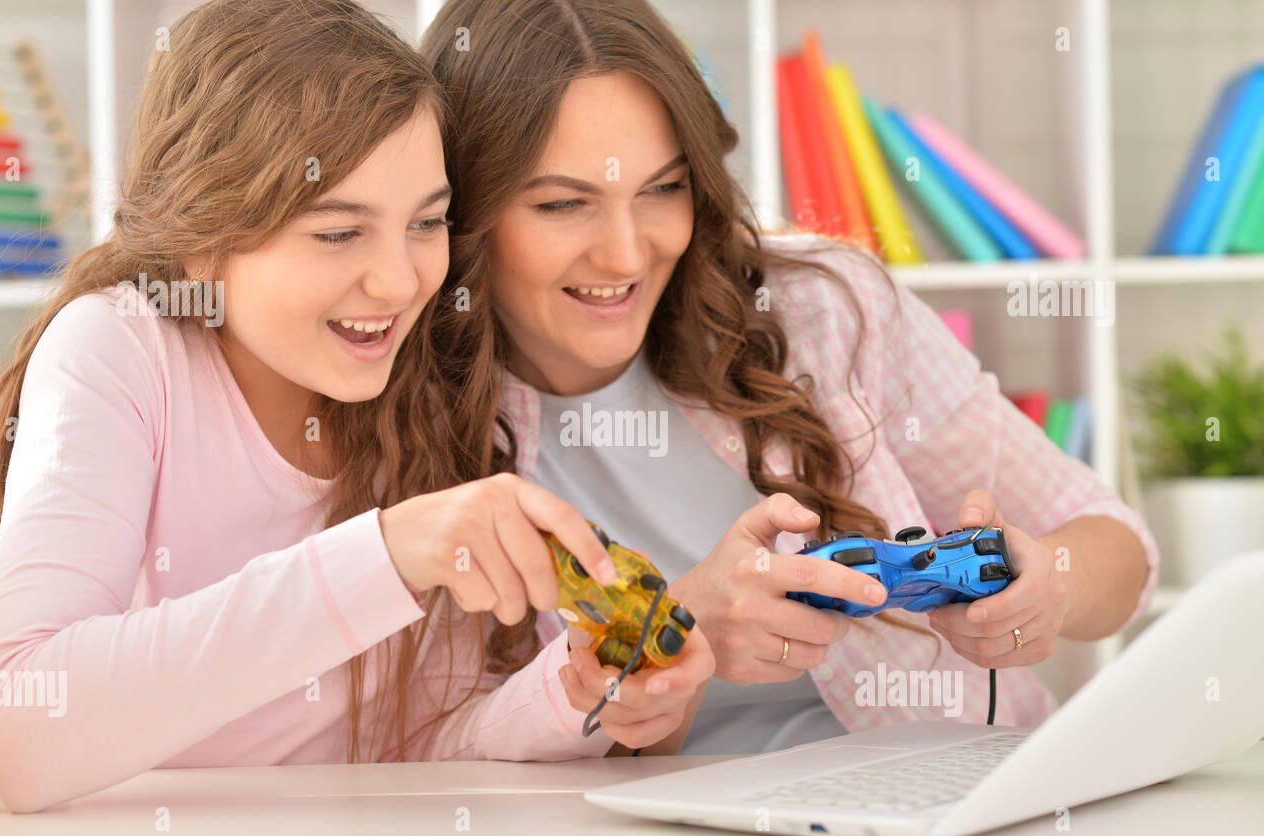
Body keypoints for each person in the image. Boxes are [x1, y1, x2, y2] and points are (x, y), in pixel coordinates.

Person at [0, 0, 712, 812]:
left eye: (426, 222)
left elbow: (414, 746)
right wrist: (386, 554)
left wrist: (573, 696)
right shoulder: (121, 351)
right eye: (338, 232)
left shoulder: (422, 391)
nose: (399, 282)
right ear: (203, 236)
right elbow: (18, 730)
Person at [421, 0, 1159, 754]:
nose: (626, 254)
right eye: (563, 203)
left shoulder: (822, 308)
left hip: (939, 785)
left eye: (663, 188)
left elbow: (1120, 550)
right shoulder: (411, 415)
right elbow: (431, 750)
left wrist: (1046, 586)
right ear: (461, 208)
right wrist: (678, 627)